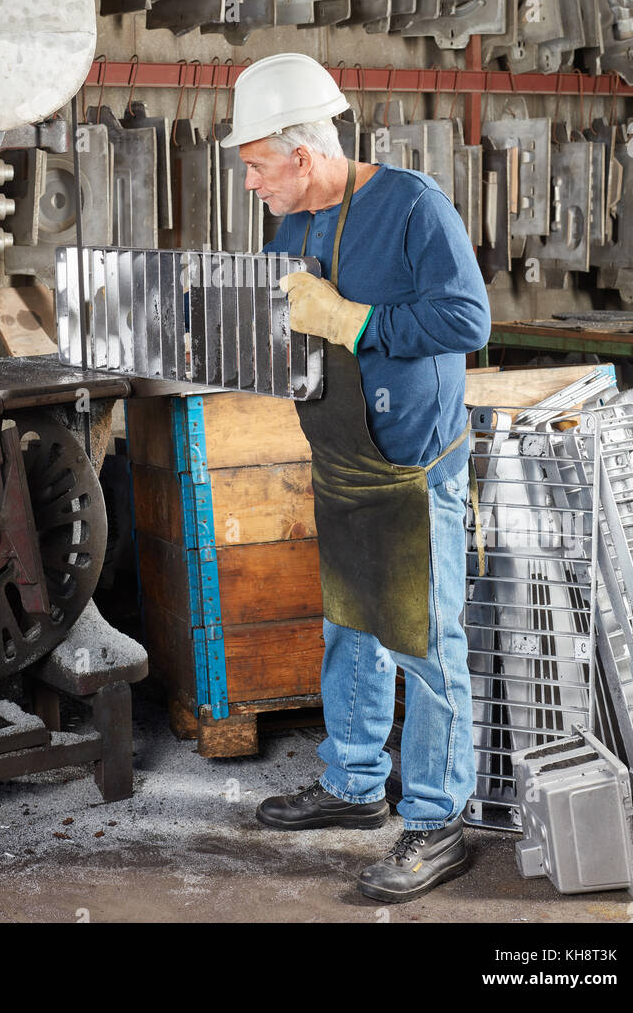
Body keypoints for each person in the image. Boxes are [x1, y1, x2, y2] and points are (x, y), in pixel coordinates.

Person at [220, 53, 492, 904]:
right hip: (340, 455)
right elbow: (289, 322)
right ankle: (353, 785)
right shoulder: (292, 223)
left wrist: (354, 318)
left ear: (303, 156)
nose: (253, 184)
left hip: (412, 464)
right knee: (353, 626)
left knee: (422, 639)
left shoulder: (413, 207)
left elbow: (467, 317)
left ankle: (440, 818)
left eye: (259, 166)